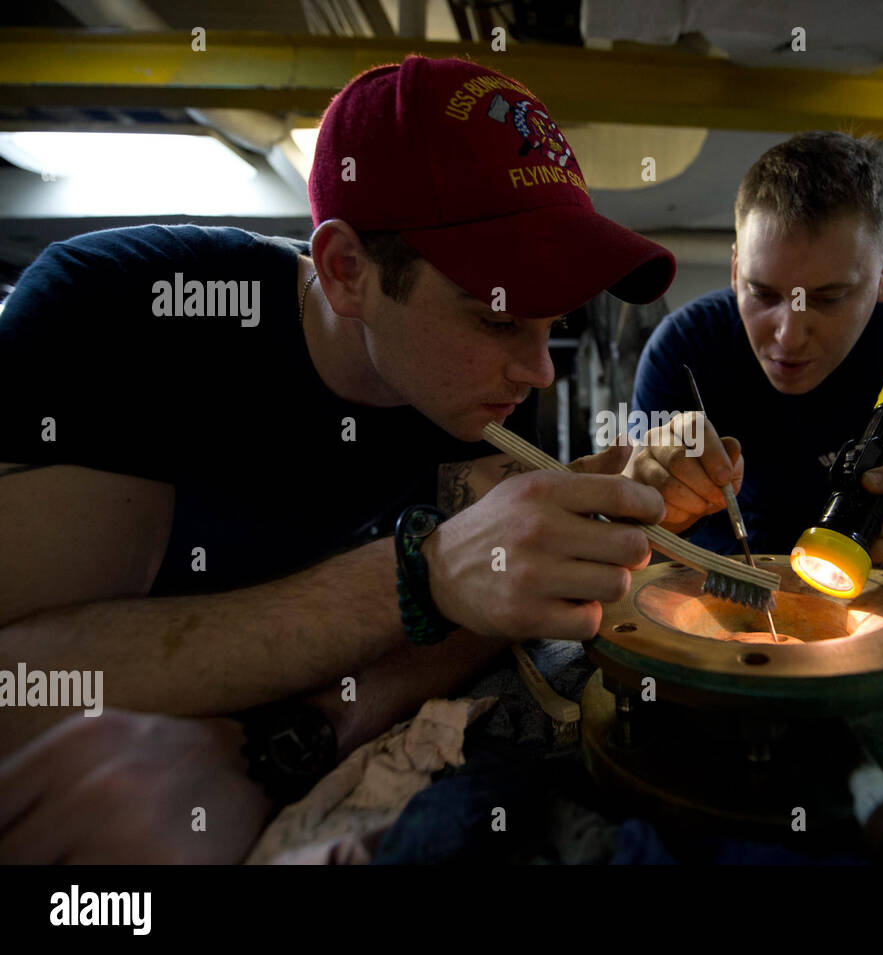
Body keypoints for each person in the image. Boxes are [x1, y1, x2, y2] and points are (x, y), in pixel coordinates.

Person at [0, 56, 686, 861]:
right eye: (499, 323)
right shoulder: (120, 319)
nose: (539, 370)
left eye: (551, 323)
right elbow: (22, 677)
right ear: (348, 271)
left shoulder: (478, 388)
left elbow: (484, 607)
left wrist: (591, 517)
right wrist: (417, 573)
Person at [626, 131, 883, 608]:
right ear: (734, 269)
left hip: (874, 611)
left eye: (829, 298)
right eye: (762, 294)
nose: (788, 336)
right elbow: (639, 545)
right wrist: (647, 510)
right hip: (727, 601)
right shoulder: (683, 349)